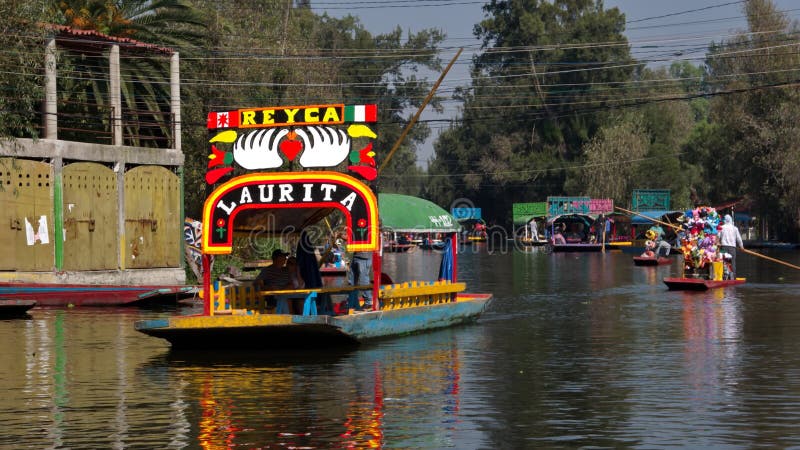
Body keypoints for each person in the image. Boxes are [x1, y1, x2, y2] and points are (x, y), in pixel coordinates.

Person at [718, 214, 744, 278]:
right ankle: (733, 277)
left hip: (723, 247)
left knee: (723, 262)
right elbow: (739, 239)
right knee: (732, 263)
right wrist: (741, 247)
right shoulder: (735, 228)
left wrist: (717, 244)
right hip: (732, 248)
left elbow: (718, 237)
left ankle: (724, 277)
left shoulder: (721, 227)